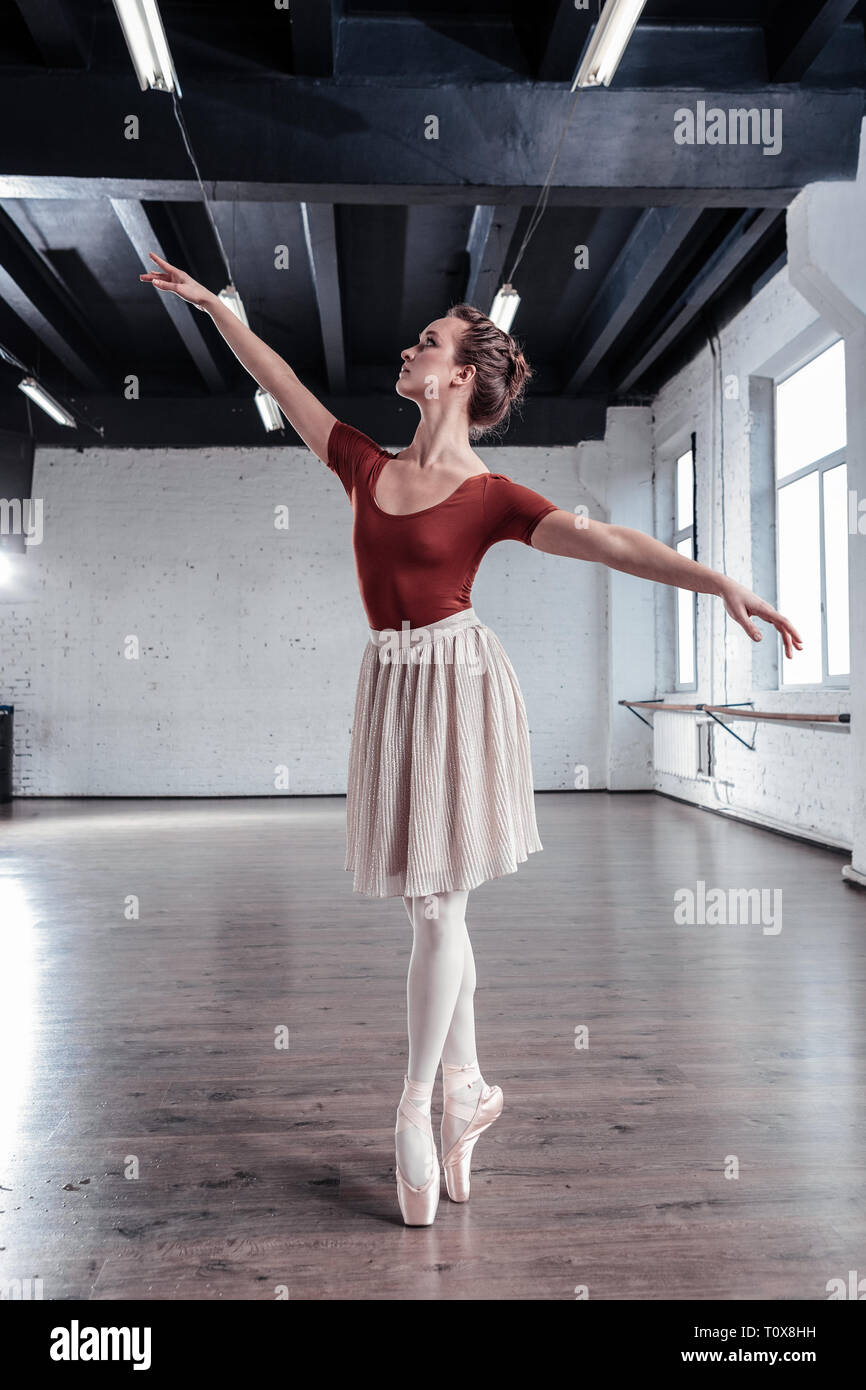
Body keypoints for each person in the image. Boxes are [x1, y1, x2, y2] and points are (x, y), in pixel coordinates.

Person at [140, 252, 803, 1226]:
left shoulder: (490, 496)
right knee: (431, 908)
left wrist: (721, 584)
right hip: (393, 687)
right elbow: (277, 383)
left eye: (428, 344)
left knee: (439, 902)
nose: (408, 350)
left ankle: (414, 1104)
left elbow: (614, 544)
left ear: (456, 378)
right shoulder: (363, 462)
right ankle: (467, 1089)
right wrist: (214, 308)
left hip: (457, 681)